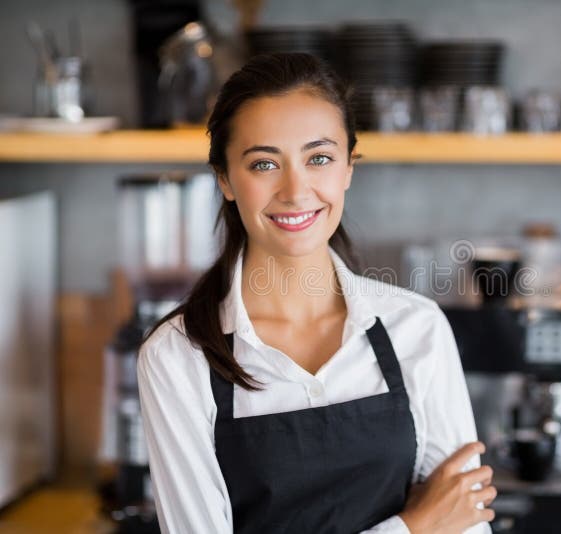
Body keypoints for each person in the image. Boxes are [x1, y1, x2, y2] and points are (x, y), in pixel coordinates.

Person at [137, 52, 496, 533]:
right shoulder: (179, 356)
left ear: (349, 167)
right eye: (264, 163)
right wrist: (412, 528)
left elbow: (463, 525)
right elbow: (439, 523)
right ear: (224, 178)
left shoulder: (417, 328)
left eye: (319, 158)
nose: (295, 189)